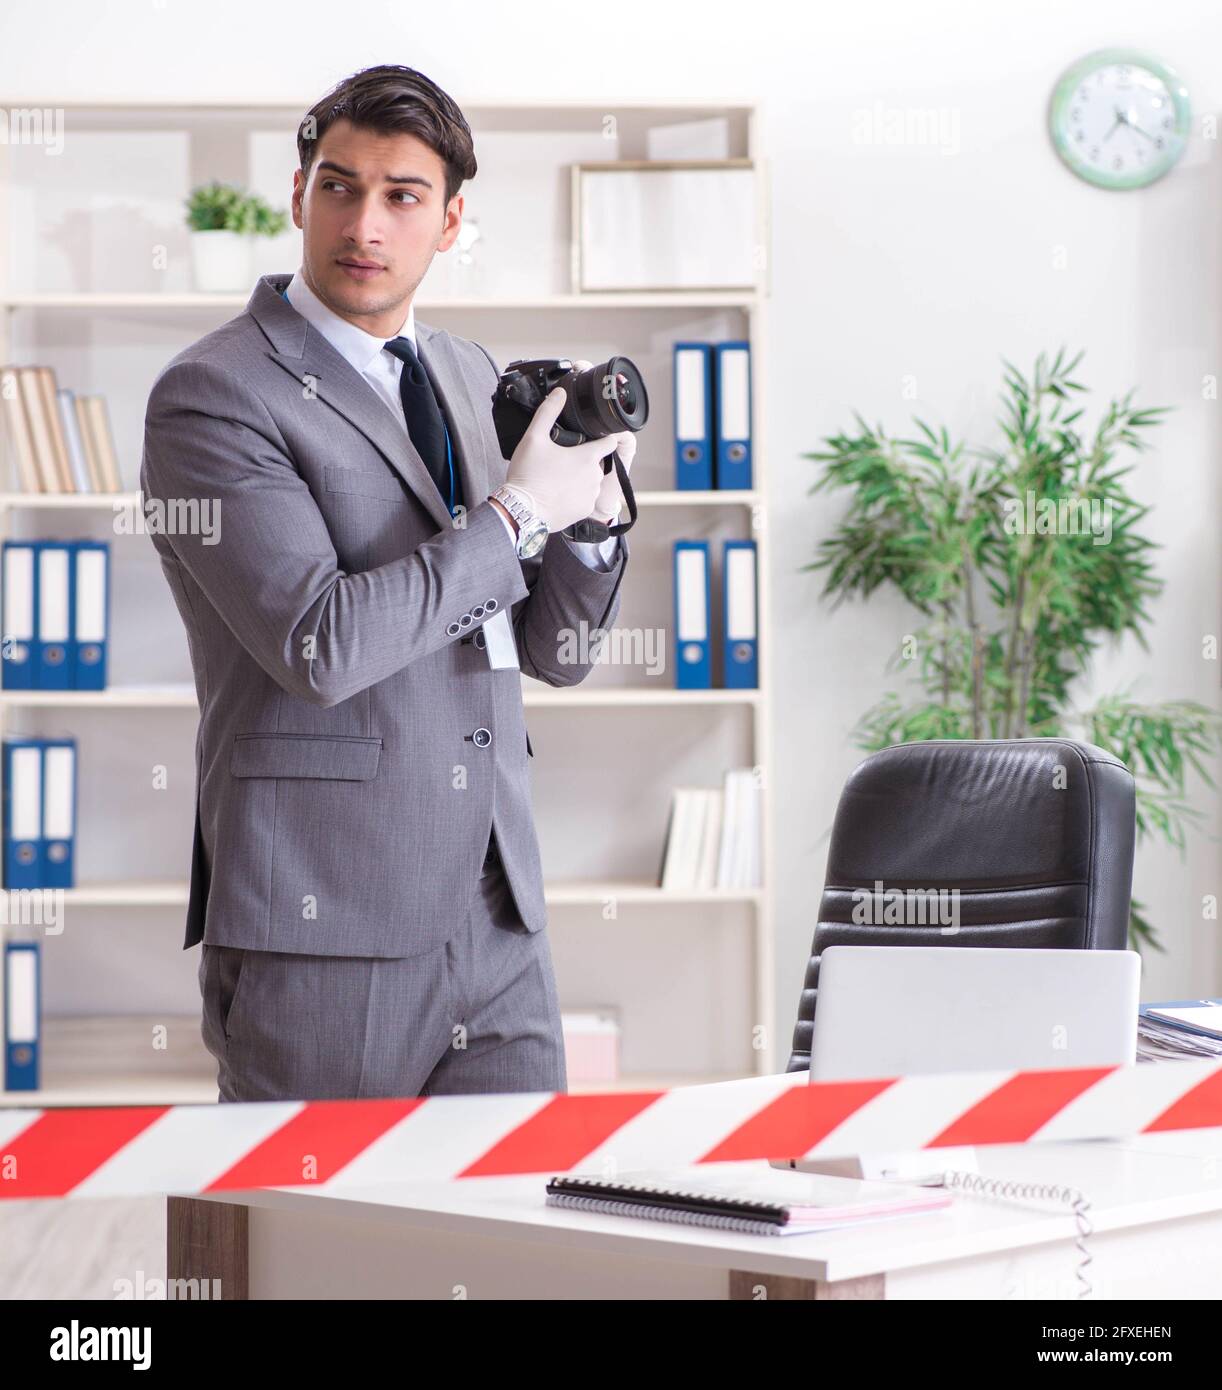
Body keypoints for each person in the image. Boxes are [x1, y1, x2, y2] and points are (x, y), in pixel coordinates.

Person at [140, 64, 634, 1101]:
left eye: (401, 196)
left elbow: (555, 655)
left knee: (516, 1250)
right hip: (327, 922)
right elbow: (321, 643)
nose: (364, 221)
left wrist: (586, 527)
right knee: (316, 1257)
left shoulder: (464, 371)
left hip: (499, 919)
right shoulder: (213, 394)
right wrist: (516, 513)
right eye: (338, 184)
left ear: (449, 221)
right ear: (297, 195)